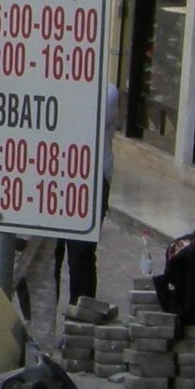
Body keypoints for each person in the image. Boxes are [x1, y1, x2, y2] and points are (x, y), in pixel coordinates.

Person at [54, 82, 120, 304]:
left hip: (92, 181)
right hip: (52, 177)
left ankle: (79, 323)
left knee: (81, 254)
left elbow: (83, 120)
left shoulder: (107, 93)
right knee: (47, 258)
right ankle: (39, 327)